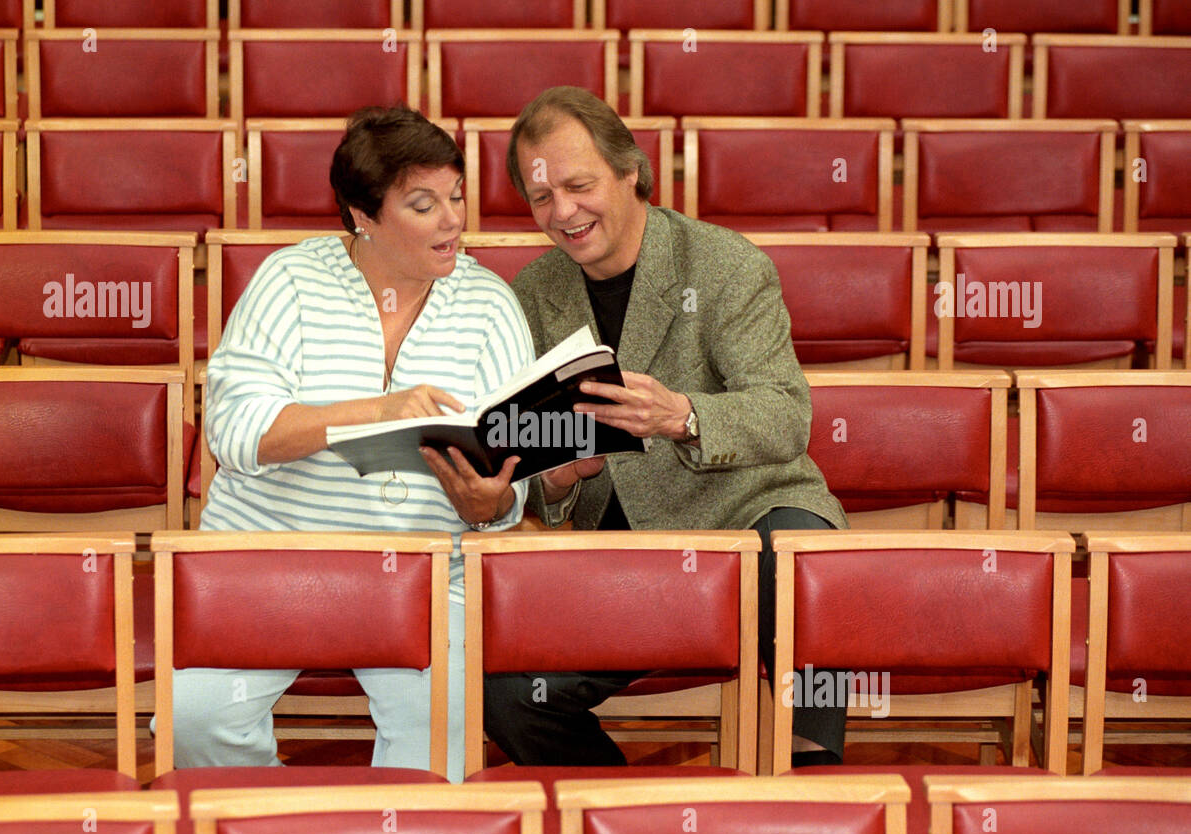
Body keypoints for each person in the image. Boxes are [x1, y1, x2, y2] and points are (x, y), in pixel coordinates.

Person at [482, 87, 850, 768]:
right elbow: (540, 487)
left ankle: (815, 785)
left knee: (801, 559)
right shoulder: (533, 294)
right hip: (628, 560)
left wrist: (683, 416)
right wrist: (563, 475)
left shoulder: (726, 267)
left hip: (748, 522)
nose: (562, 212)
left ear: (631, 171)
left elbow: (785, 415)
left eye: (579, 185)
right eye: (540, 199)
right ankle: (626, 821)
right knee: (508, 694)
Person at [174, 105, 533, 783]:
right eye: (424, 204)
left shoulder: (490, 305)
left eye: (457, 196)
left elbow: (510, 482)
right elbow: (238, 432)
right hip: (271, 561)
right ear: (362, 216)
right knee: (194, 715)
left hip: (424, 575)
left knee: (444, 723)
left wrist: (491, 500)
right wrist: (378, 412)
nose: (454, 220)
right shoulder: (288, 282)